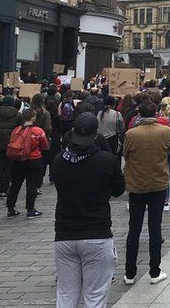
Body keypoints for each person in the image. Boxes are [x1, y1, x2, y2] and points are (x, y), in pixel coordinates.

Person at [51, 113, 126, 308]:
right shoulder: (107, 160)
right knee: (95, 295)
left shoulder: (59, 161)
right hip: (96, 234)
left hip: (64, 235)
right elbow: (119, 190)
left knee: (66, 294)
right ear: (96, 135)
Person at [123, 101, 170, 285]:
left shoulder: (131, 134)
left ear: (139, 114)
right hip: (158, 184)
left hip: (137, 184)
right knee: (155, 228)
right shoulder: (164, 131)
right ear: (156, 112)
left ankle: (130, 272)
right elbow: (168, 151)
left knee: (133, 229)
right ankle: (154, 271)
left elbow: (125, 154)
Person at [6, 109, 50, 219]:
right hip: (34, 160)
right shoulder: (38, 131)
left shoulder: (16, 130)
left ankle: (10, 209)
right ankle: (30, 209)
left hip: (18, 160)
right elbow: (45, 145)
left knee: (15, 185)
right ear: (33, 118)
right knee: (31, 185)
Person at [0, 95, 23, 198]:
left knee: (0, 166)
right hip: (12, 142)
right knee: (9, 166)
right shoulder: (18, 115)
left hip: (0, 142)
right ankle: (5, 188)